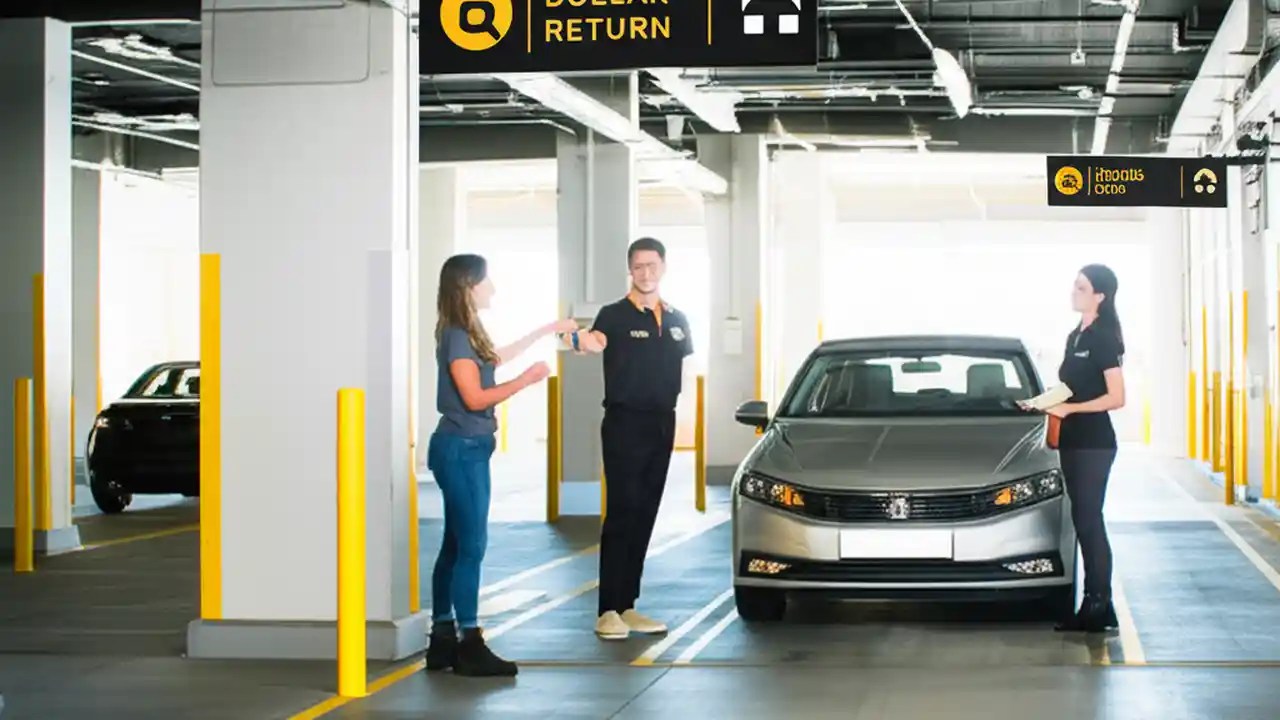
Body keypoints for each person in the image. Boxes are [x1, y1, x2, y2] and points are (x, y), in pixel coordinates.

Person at [424, 253, 577, 676]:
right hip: (461, 450)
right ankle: (469, 643)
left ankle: (442, 639)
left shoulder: (465, 332)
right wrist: (527, 380)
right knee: (471, 546)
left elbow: (494, 356)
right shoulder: (457, 335)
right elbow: (474, 398)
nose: (492, 288)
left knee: (455, 544)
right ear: (468, 286)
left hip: (466, 448)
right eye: (486, 281)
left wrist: (546, 330)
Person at [569, 237, 694, 640]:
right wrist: (577, 339)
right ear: (630, 270)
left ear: (664, 267)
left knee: (645, 512)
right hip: (625, 423)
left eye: (652, 265)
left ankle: (628, 605)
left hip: (663, 422)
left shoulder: (677, 319)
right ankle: (608, 609)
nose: (646, 273)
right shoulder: (614, 315)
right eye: (638, 266)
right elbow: (592, 342)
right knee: (623, 511)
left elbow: (680, 368)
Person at [1024, 264, 1126, 633]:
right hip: (1072, 440)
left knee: (1088, 520)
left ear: (1100, 295)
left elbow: (1117, 397)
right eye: (1075, 286)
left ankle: (1096, 605)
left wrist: (1071, 409)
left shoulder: (1103, 339)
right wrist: (1040, 402)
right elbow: (1069, 387)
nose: (1074, 291)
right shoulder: (1075, 337)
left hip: (1094, 443)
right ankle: (1100, 605)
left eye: (1082, 288)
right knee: (1083, 520)